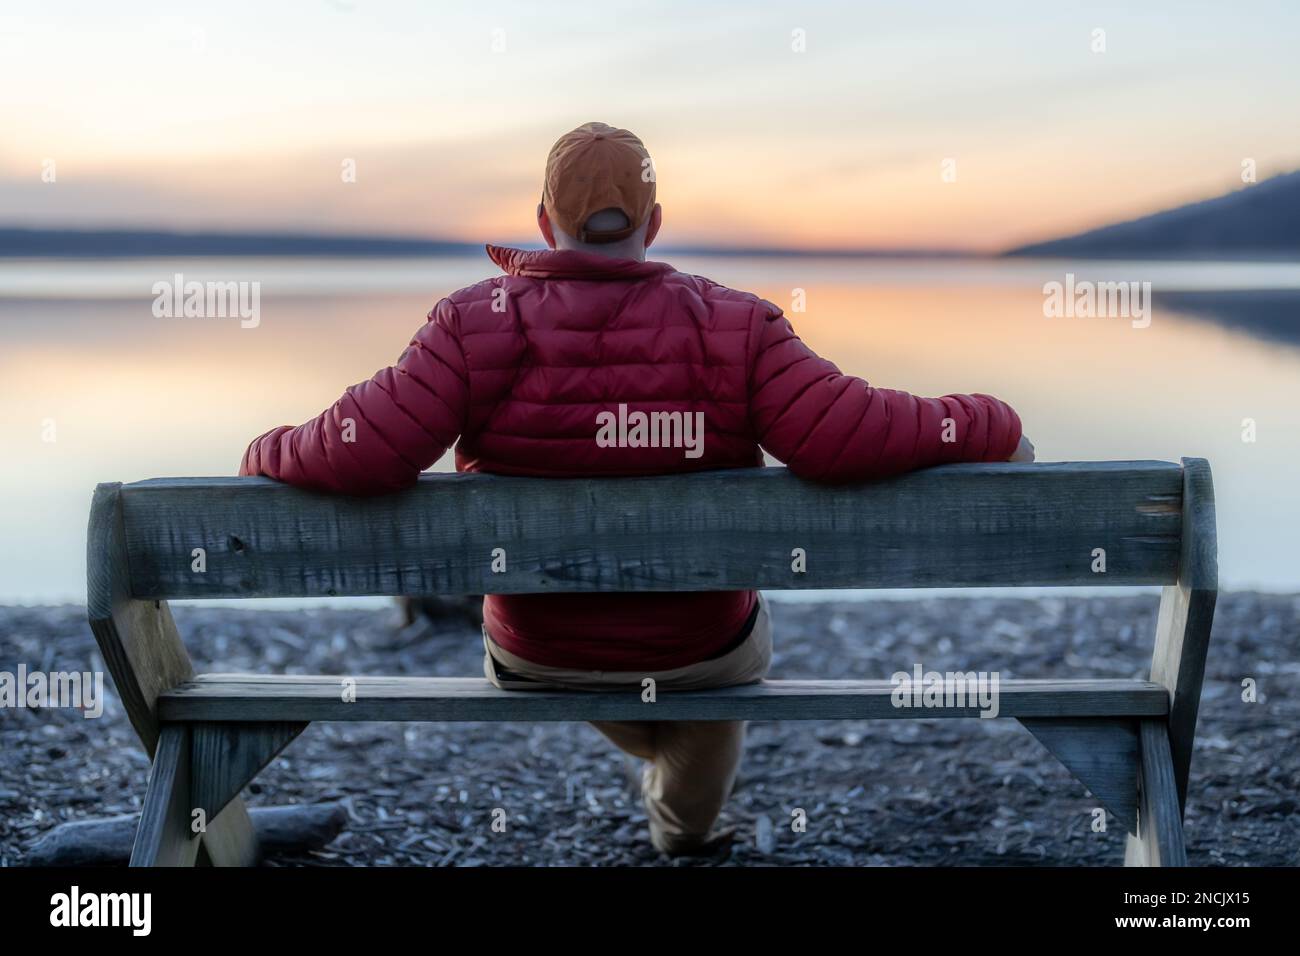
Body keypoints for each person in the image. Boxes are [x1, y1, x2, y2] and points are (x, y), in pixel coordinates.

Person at [240, 121, 1033, 856]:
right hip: (702, 651)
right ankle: (680, 823)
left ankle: (669, 788)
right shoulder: (735, 324)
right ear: (653, 223)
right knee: (714, 676)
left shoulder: (470, 323)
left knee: (606, 659)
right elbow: (849, 431)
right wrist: (988, 422)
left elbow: (355, 452)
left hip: (535, 652)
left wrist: (265, 451)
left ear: (545, 222)